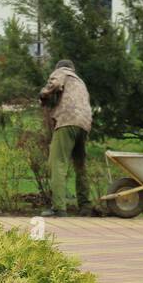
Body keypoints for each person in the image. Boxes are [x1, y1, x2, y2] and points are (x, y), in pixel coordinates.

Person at [39, 58, 92, 216]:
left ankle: (59, 208)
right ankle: (85, 206)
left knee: (58, 163)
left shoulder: (61, 72)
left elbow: (54, 85)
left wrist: (43, 93)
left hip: (67, 121)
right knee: (80, 165)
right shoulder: (80, 82)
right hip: (84, 123)